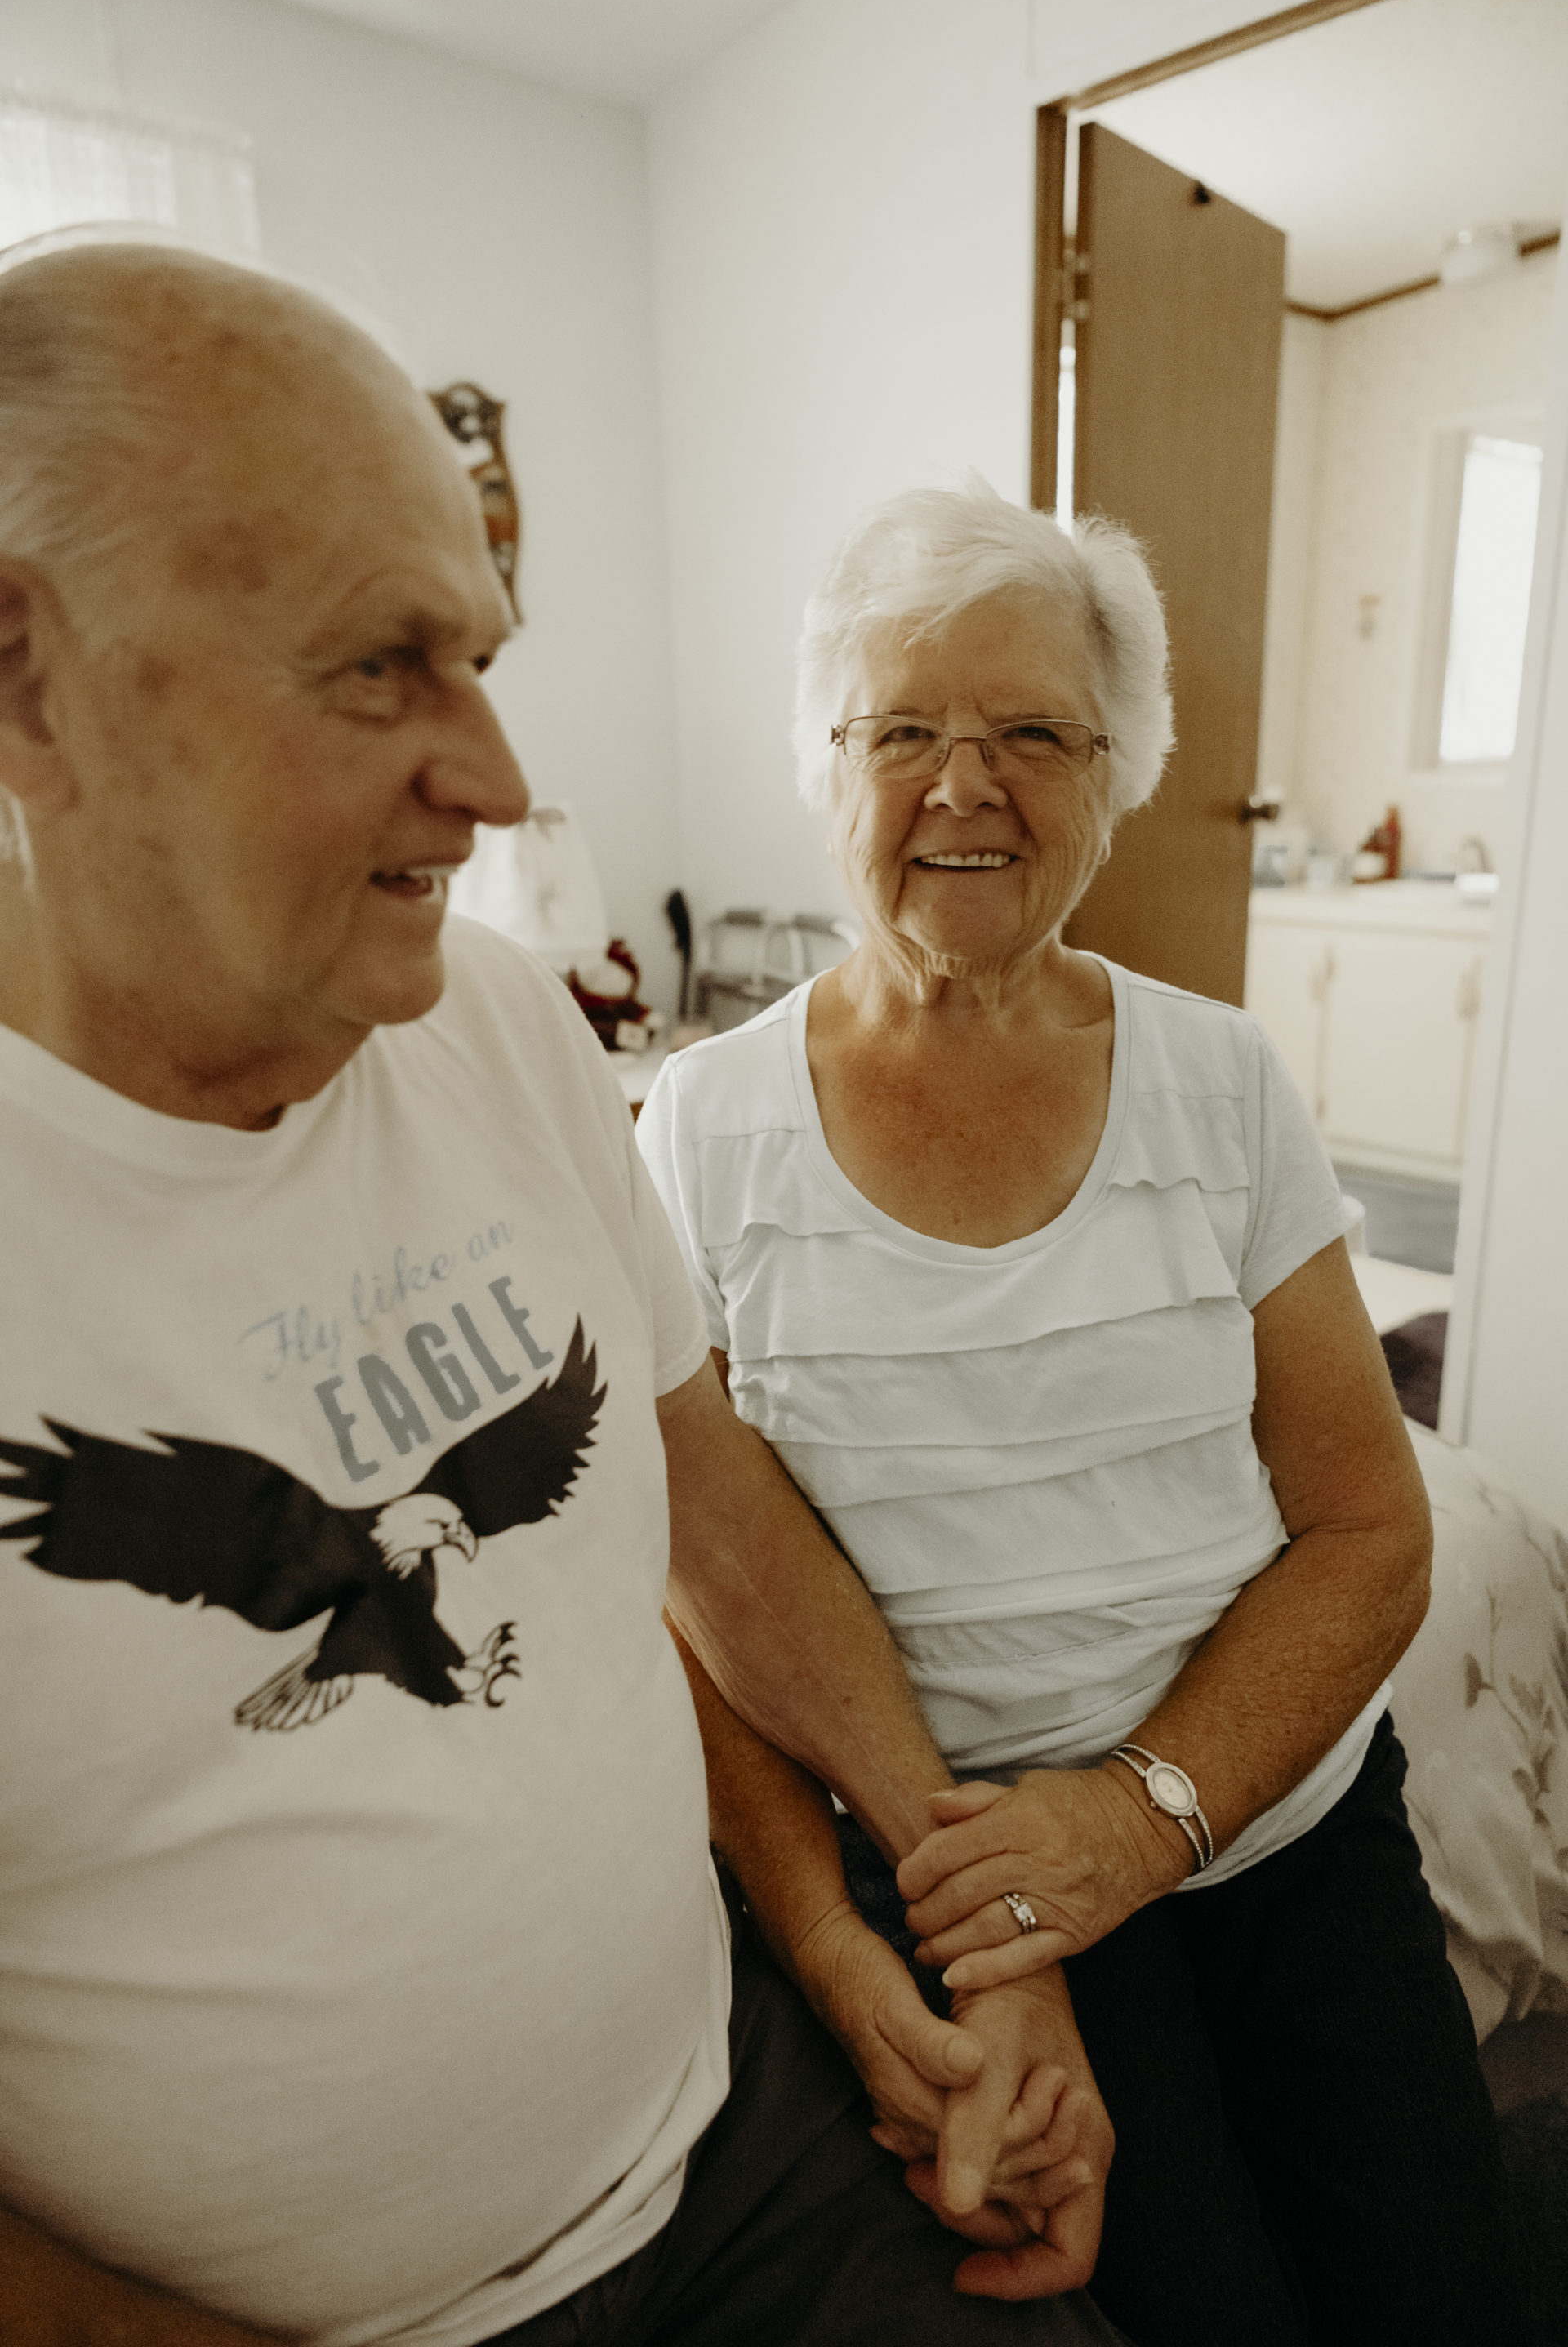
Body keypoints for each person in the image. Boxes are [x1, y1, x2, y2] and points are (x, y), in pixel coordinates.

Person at [0, 249, 1129, 2347]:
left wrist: (975, 1940)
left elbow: (719, 1525)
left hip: (742, 2147)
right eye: (378, 668)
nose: (502, 780)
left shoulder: (503, 1025)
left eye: (485, 663)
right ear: (24, 677)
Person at [637, 479, 1530, 2347]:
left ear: (1115, 774)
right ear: (828, 767)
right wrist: (852, 1930)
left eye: (1032, 731)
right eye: (905, 733)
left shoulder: (1219, 1083)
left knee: (1448, 2292)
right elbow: (700, 1605)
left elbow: (1372, 1532)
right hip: (949, 1870)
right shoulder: (699, 1133)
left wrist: (1142, 1821)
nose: (965, 788)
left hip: (1272, 1830)